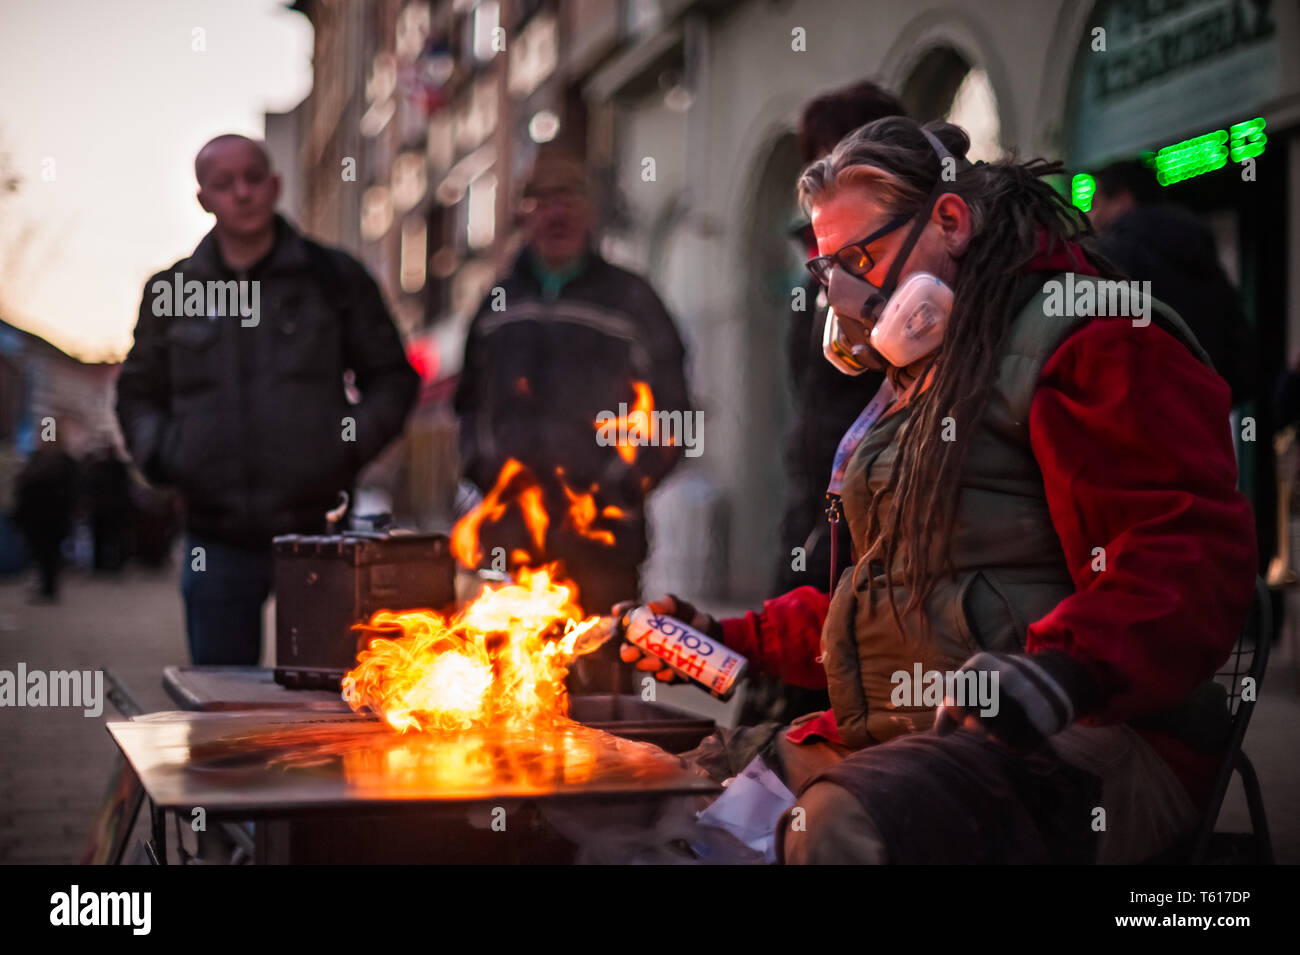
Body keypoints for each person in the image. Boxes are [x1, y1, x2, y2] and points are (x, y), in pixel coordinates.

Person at [623, 117, 1257, 864]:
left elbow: (1186, 560)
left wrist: (1059, 671)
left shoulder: (1095, 341)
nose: (850, 296)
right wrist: (718, 637)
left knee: (831, 829)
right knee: (664, 806)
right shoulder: (922, 382)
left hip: (1091, 746)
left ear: (951, 220)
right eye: (831, 270)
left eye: (864, 255)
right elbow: (888, 600)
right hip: (912, 738)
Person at [116, 134, 419, 665]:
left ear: (275, 186)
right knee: (224, 714)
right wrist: (166, 455)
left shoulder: (332, 278)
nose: (243, 193)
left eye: (254, 178)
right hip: (216, 536)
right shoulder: (173, 290)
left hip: (318, 533)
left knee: (326, 700)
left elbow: (392, 378)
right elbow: (138, 391)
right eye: (224, 183)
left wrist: (343, 448)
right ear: (203, 199)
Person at [454, 146, 691, 628]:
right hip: (510, 535)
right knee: (508, 686)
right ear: (524, 214)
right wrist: (485, 473)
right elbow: (468, 406)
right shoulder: (499, 301)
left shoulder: (632, 300)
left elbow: (674, 415)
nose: (555, 213)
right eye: (541, 201)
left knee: (599, 686)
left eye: (568, 198)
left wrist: (619, 490)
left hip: (603, 541)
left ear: (590, 211)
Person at [773, 79, 905, 601]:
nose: (823, 176)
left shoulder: (919, 278)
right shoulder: (814, 284)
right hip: (818, 514)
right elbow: (808, 408)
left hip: (886, 532)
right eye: (816, 160)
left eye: (840, 154)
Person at [1088, 158, 1255, 406]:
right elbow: (1241, 357)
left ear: (1123, 200)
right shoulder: (1201, 255)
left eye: (1095, 203)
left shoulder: (1112, 257)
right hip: (1202, 417)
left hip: (1142, 419)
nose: (1092, 215)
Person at [13, 442, 78, 602]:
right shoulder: (43, 459)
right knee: (45, 553)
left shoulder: (51, 461)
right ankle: (47, 586)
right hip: (45, 515)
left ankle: (48, 587)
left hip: (48, 515)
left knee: (47, 553)